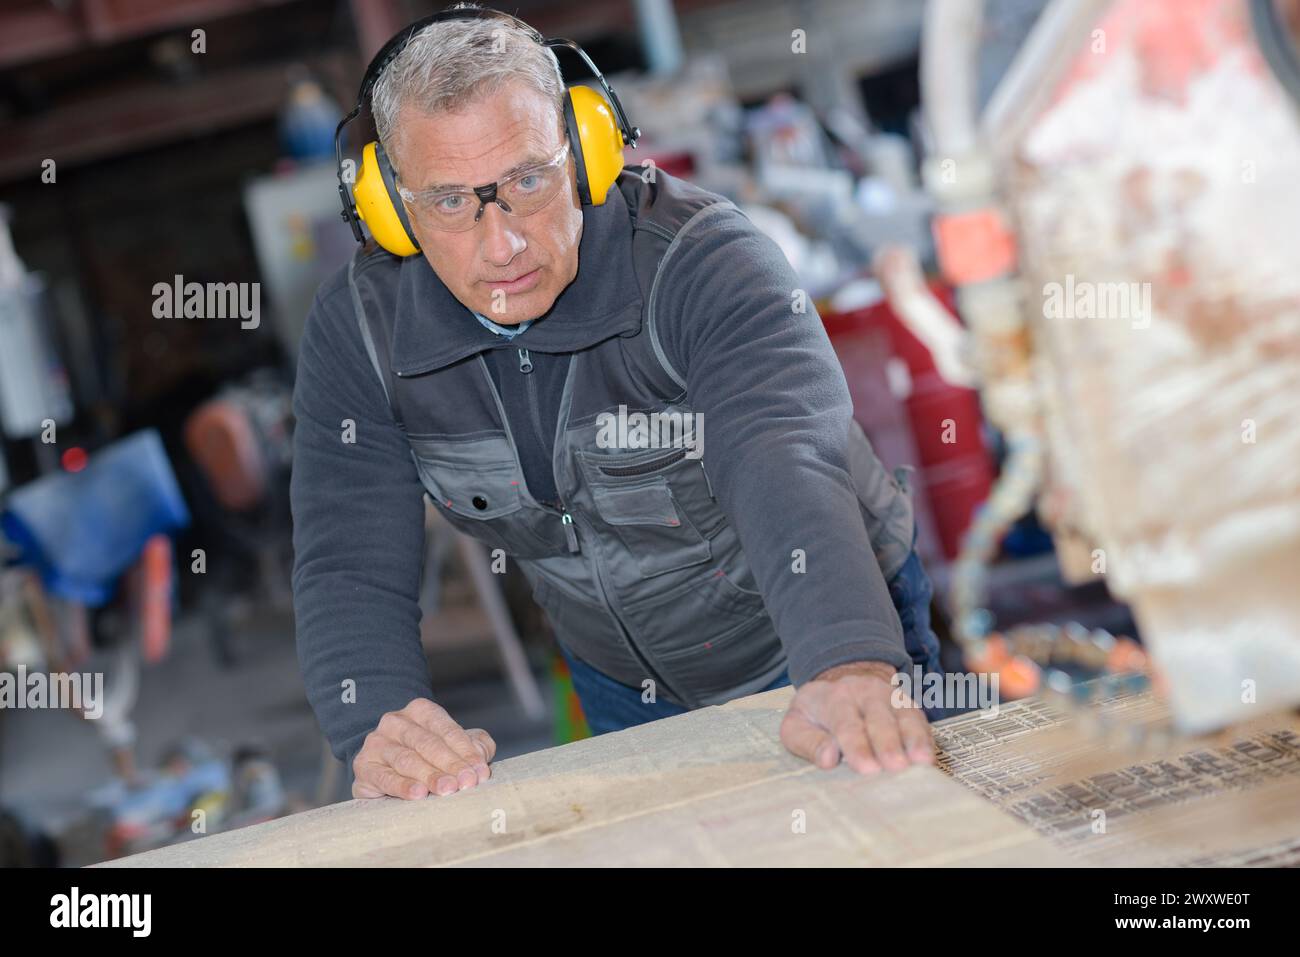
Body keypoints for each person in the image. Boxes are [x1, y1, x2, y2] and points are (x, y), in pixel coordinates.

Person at [292, 4, 943, 802]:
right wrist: (381, 722)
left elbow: (782, 454)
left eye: (528, 180)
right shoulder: (360, 333)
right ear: (391, 205)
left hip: (821, 626)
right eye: (450, 202)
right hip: (622, 680)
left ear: (586, 153)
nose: (502, 245)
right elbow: (347, 554)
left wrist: (847, 656)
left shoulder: (703, 262)